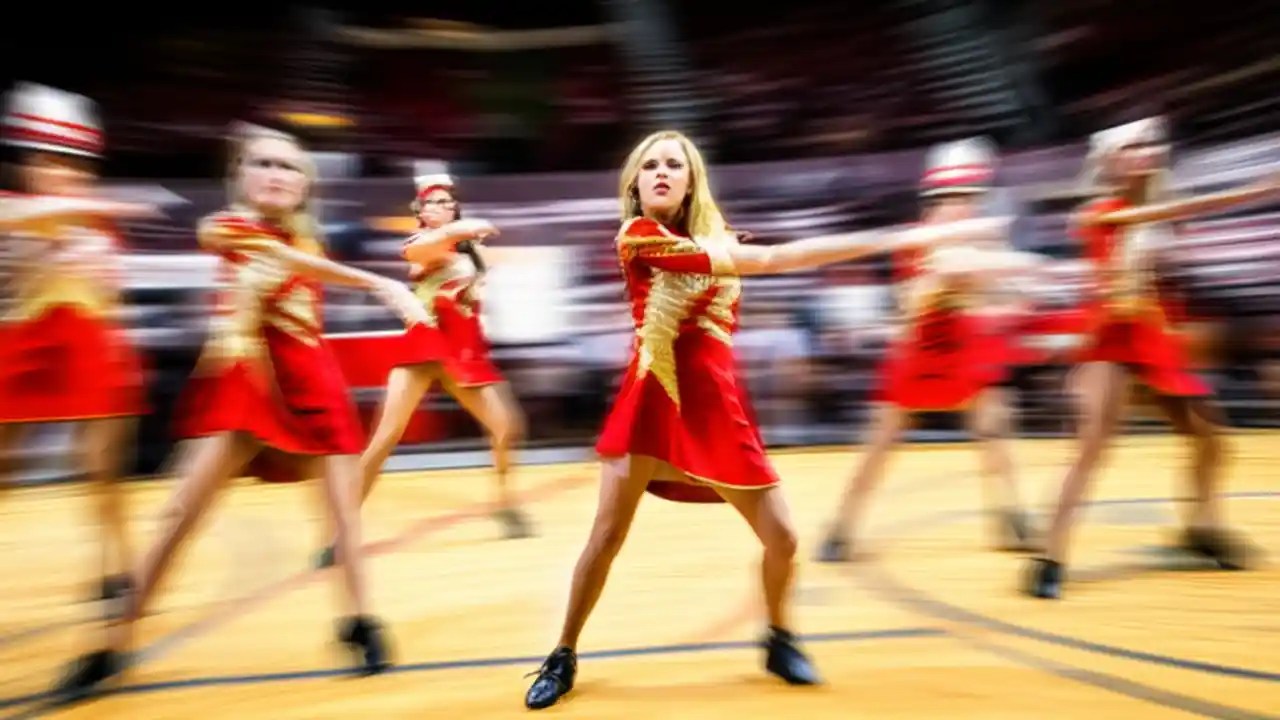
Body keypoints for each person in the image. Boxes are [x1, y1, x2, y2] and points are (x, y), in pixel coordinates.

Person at [523, 129, 1014, 710]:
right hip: (652, 401)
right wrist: (905, 235)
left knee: (783, 537)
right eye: (649, 165)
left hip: (717, 406)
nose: (660, 172)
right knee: (606, 537)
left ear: (690, 179)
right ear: (634, 182)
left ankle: (779, 637)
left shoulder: (716, 236)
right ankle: (563, 653)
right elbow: (777, 259)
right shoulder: (637, 235)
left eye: (673, 165)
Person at [51, 122, 428, 700]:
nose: (275, 175)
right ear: (240, 179)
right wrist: (379, 285)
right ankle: (112, 644)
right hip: (246, 381)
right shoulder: (225, 228)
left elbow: (298, 264)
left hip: (312, 379)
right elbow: (274, 256)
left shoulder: (312, 242)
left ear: (306, 185)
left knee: (343, 515)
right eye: (262, 164)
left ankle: (359, 623)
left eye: (288, 167)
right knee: (180, 513)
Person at [1026, 116, 1280, 599]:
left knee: (1212, 439)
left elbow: (1160, 280)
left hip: (1151, 338)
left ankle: (1201, 527)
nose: (1144, 152)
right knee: (1090, 448)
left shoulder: (1159, 212)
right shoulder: (1101, 211)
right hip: (1110, 340)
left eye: (1148, 145)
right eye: (1132, 146)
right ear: (1110, 160)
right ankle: (1048, 556)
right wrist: (1252, 192)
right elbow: (1150, 227)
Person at [815, 137, 1046, 562]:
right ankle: (841, 528)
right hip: (917, 350)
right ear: (935, 198)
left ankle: (1012, 517)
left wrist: (1003, 287)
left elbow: (1001, 294)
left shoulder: (978, 238)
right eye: (955, 197)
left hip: (963, 344)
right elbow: (913, 303)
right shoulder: (918, 240)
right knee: (879, 444)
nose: (964, 205)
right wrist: (950, 281)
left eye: (969, 197)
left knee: (995, 428)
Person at [314, 174, 529, 568]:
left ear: (453, 206)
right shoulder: (421, 245)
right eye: (428, 203)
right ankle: (339, 535)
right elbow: (435, 244)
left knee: (507, 426)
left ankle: (505, 505)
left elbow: (471, 291)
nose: (436, 207)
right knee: (384, 438)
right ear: (420, 213)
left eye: (443, 202)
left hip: (463, 351)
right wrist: (467, 227)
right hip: (425, 346)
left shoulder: (468, 252)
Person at [0, 82, 153, 604]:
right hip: (22, 345)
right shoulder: (10, 210)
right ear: (27, 164)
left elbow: (108, 296)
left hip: (91, 347)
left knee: (102, 469)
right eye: (47, 161)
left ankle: (117, 567)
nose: (60, 172)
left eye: (71, 164)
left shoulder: (99, 225)